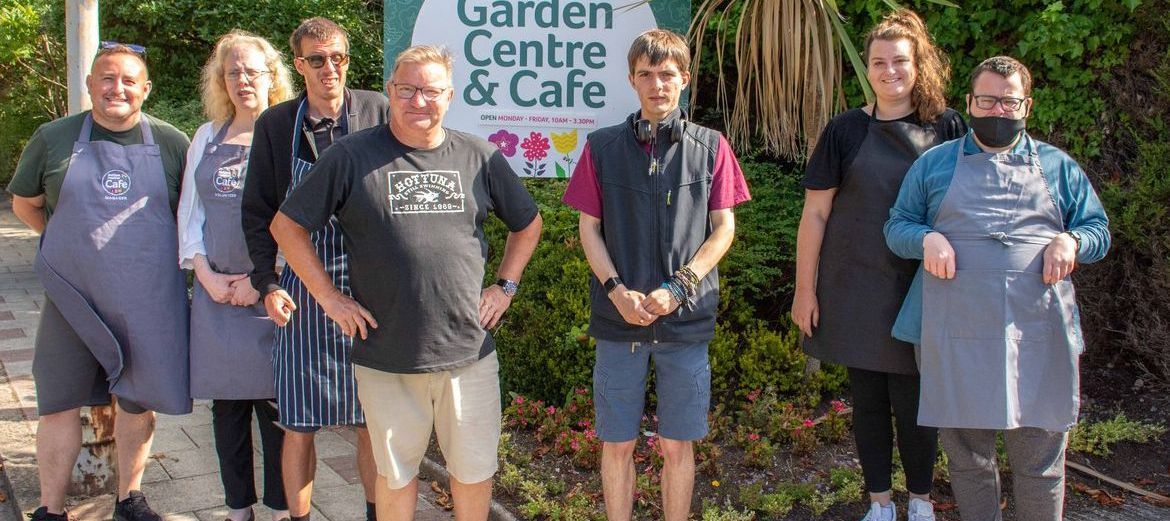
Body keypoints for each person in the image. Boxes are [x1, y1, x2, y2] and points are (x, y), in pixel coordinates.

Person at [269, 44, 542, 521]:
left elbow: (528, 223)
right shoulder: (351, 155)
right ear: (389, 92)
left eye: (431, 91)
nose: (419, 101)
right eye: (408, 89)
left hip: (468, 353)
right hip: (386, 354)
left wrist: (506, 287)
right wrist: (329, 299)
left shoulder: (479, 156)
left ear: (450, 96)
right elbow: (286, 227)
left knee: (474, 473)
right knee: (395, 475)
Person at [884, 56, 1110, 521]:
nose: (997, 110)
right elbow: (896, 226)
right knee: (969, 461)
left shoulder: (1057, 167)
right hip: (954, 335)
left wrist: (1072, 240)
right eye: (987, 100)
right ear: (969, 103)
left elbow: (1098, 230)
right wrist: (926, 238)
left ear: (1026, 106)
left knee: (1040, 461)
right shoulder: (934, 165)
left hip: (1036, 334)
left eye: (1008, 101)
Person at [561, 29, 750, 521]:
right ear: (632, 80)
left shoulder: (711, 147)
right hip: (617, 320)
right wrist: (616, 291)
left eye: (667, 74)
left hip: (685, 323)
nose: (657, 84)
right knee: (618, 445)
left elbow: (723, 230)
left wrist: (679, 288)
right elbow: (589, 231)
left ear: (684, 79)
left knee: (676, 445)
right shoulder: (601, 147)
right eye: (646, 74)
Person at [791, 9, 966, 521]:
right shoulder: (845, 129)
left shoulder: (948, 126)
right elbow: (816, 213)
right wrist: (806, 289)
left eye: (901, 61)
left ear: (919, 64)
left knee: (917, 401)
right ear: (866, 67)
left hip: (923, 285)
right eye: (879, 61)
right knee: (867, 399)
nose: (890, 70)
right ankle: (879, 504)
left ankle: (921, 501)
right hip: (853, 284)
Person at [7, 43, 192, 521]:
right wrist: (70, 246)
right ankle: (51, 509)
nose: (118, 88)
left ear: (146, 90)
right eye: (107, 78)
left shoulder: (173, 143)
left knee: (137, 401)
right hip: (74, 301)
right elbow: (25, 204)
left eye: (130, 80)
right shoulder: (53, 138)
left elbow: (187, 219)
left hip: (145, 303)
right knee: (59, 403)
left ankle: (128, 499)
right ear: (90, 84)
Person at [240, 17, 388, 521]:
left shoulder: (378, 111)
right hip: (304, 286)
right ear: (299, 64)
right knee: (298, 422)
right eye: (318, 59)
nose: (330, 69)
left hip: (372, 288)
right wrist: (267, 281)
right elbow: (259, 212)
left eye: (339, 58)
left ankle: (374, 514)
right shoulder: (278, 125)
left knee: (373, 420)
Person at [177, 30, 295, 521]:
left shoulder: (290, 134)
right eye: (234, 72)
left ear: (273, 76)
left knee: (276, 410)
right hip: (215, 295)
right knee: (226, 409)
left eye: (253, 70)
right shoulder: (206, 138)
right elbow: (190, 213)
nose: (243, 79)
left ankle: (284, 506)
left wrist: (263, 278)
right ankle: (237, 508)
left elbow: (302, 218)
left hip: (272, 293)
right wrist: (203, 272)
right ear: (221, 81)